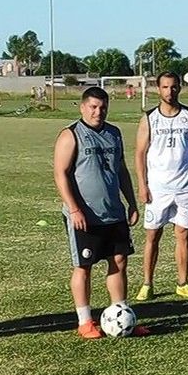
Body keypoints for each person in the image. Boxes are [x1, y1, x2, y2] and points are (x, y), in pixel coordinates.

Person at [52, 87, 148, 339]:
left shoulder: (113, 133)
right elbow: (60, 174)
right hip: (84, 215)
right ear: (82, 107)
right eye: (93, 107)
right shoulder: (71, 135)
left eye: (102, 107)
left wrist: (131, 203)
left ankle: (122, 313)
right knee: (83, 266)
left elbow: (122, 170)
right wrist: (74, 208)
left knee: (118, 261)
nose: (98, 111)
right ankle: (85, 321)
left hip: (114, 212)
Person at [134, 71, 188, 302]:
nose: (170, 91)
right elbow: (140, 153)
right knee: (152, 235)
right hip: (158, 188)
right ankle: (147, 283)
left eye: (174, 87)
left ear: (179, 88)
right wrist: (142, 184)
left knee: (183, 235)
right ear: (158, 89)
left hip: (184, 187)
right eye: (165, 87)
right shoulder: (149, 118)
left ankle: (183, 283)